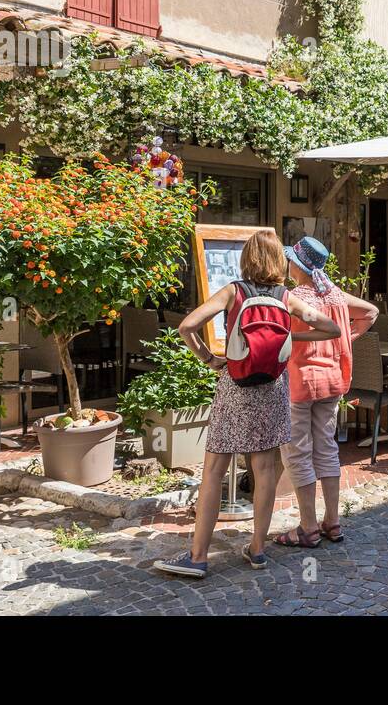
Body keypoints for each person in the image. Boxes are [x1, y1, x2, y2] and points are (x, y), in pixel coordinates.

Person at [154, 231, 340, 578]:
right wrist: (291, 336)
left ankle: (197, 556)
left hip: (235, 386)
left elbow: (187, 326)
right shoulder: (286, 297)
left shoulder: (233, 291)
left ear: (246, 259)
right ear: (277, 262)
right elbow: (330, 328)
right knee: (265, 470)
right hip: (272, 387)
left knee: (213, 471)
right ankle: (257, 549)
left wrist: (210, 358)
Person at [274, 236, 379, 549]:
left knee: (298, 452)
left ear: (298, 265)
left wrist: (299, 338)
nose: (287, 264)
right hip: (332, 380)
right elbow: (371, 312)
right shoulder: (333, 294)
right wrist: (344, 339)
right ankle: (332, 521)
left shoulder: (294, 298)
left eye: (290, 259)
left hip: (300, 382)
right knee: (327, 448)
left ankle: (307, 527)